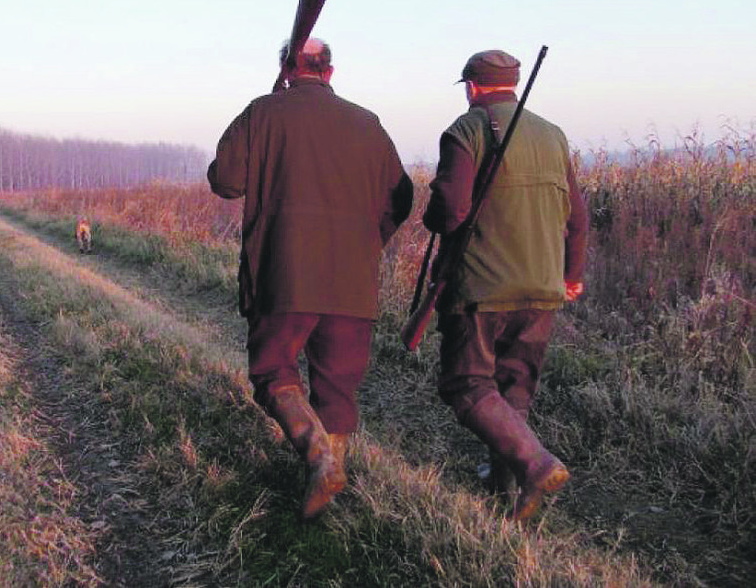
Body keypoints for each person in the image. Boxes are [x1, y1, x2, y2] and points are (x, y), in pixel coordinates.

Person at [208, 38, 413, 519]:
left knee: (274, 369)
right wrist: (368, 242)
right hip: (352, 281)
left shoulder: (261, 113)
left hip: (285, 275)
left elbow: (225, 181)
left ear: (285, 67)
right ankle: (324, 498)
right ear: (331, 70)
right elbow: (401, 199)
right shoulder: (368, 123)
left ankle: (320, 460)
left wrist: (257, 116)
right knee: (337, 388)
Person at [422, 49, 589, 521]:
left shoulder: (465, 130)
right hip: (542, 288)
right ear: (513, 85)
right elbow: (578, 216)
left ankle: (535, 463)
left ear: (472, 87)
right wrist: (571, 275)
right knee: (514, 388)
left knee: (467, 383)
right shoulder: (554, 136)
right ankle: (508, 488)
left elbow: (450, 211)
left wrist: (430, 211)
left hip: (481, 287)